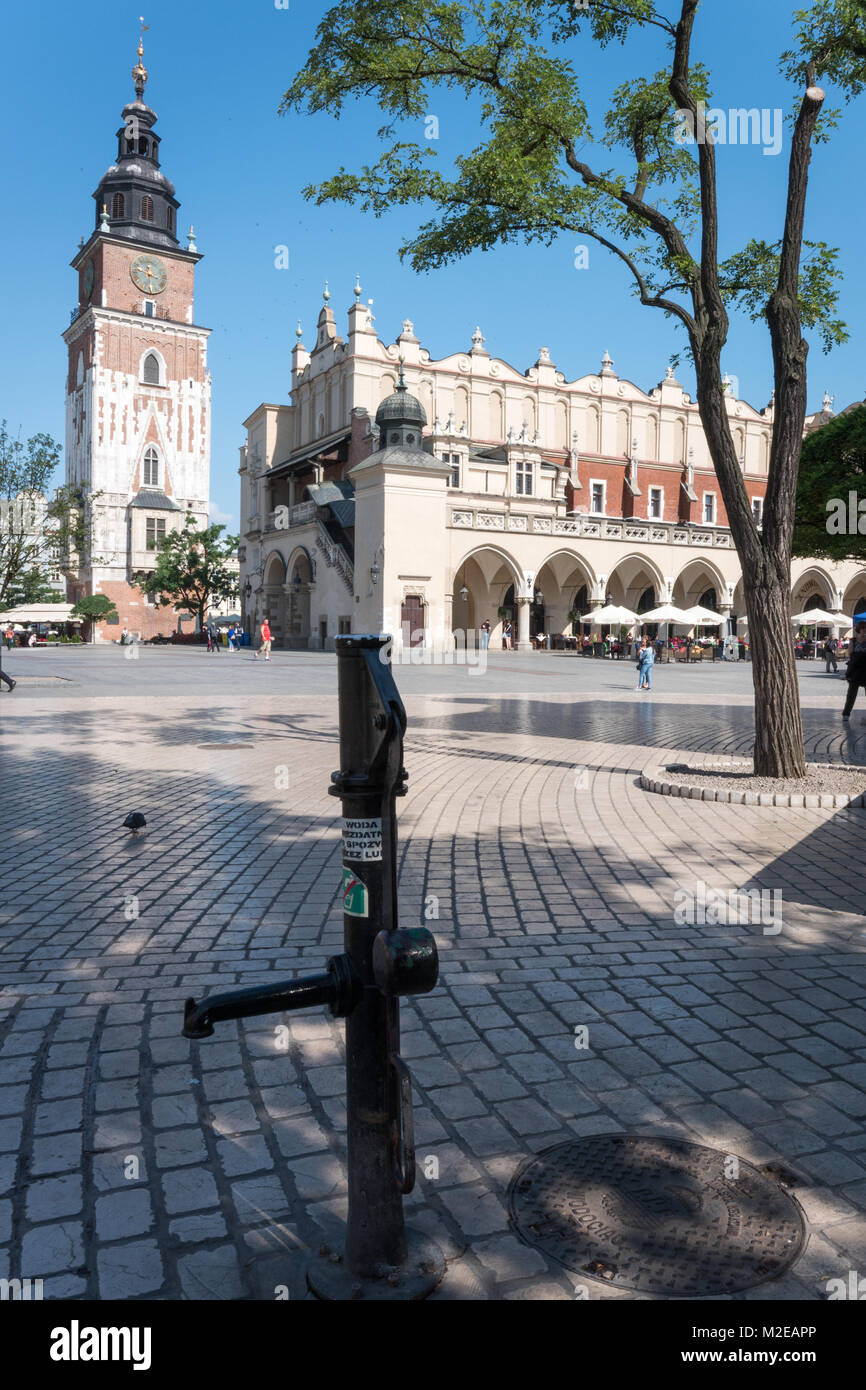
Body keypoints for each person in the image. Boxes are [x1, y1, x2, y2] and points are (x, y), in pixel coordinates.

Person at [842, 622, 866, 720]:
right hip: (855, 670)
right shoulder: (853, 640)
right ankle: (846, 714)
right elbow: (849, 653)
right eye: (863, 628)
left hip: (865, 669)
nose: (864, 630)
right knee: (851, 693)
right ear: (859, 629)